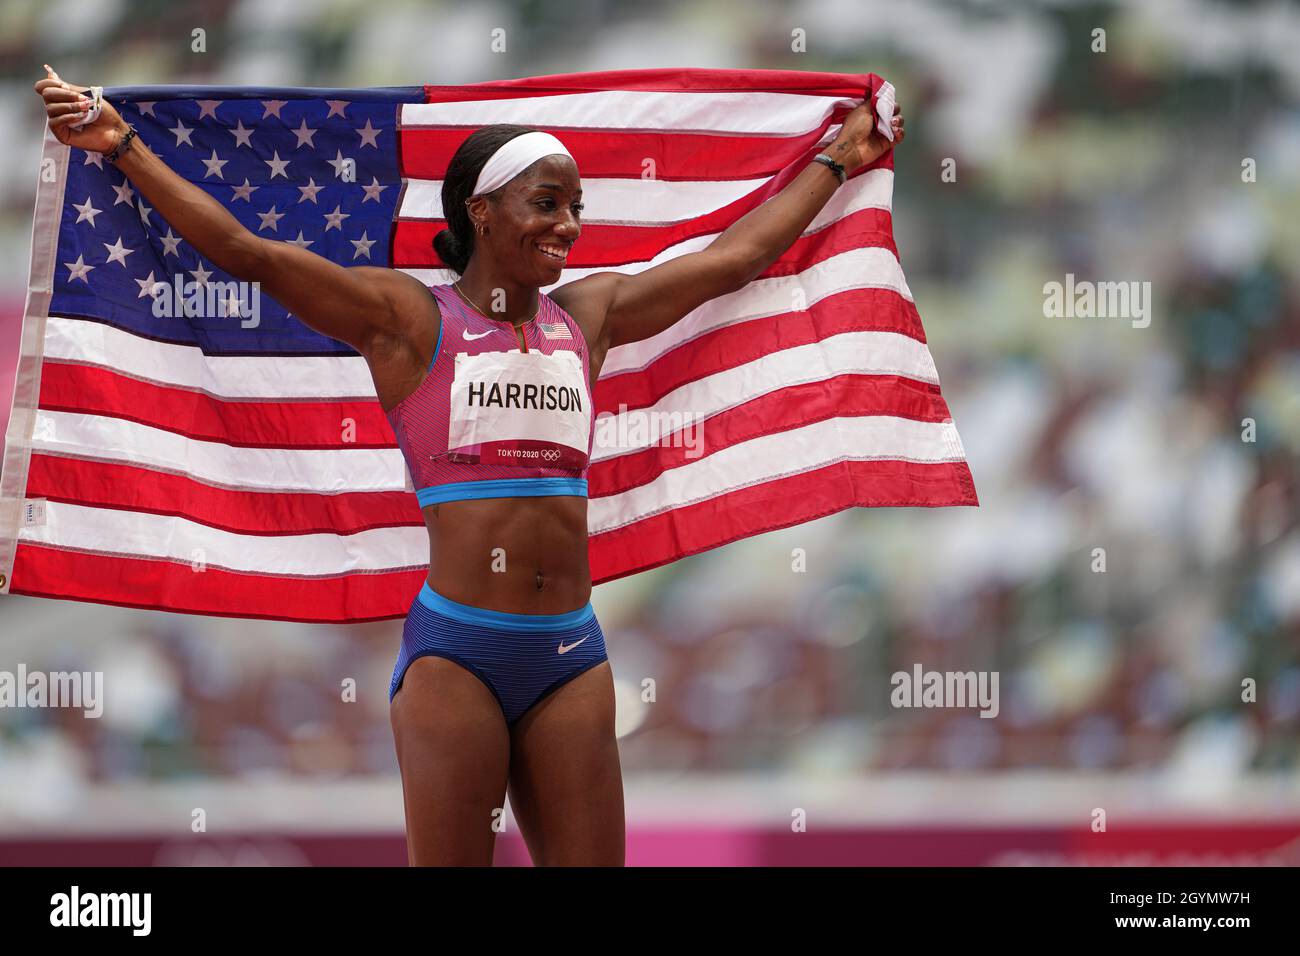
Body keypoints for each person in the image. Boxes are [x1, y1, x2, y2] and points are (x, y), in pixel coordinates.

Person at [35, 65, 904, 866]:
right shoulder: (408, 320)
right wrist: (123, 145)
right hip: (458, 656)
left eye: (575, 209)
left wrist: (837, 157)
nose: (566, 225)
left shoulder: (587, 316)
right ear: (481, 212)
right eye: (545, 204)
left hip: (572, 652)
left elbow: (735, 262)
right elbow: (247, 253)